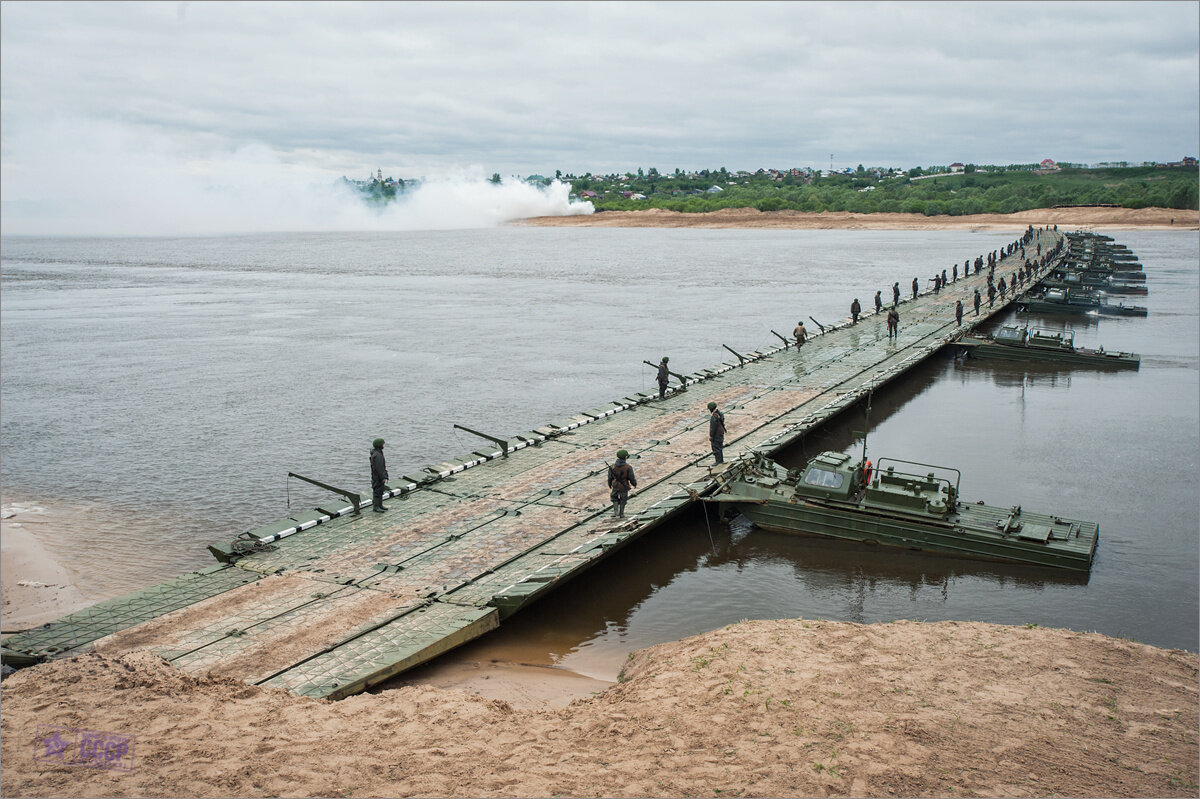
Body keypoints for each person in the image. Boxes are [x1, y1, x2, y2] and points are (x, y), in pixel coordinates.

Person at [607, 449, 637, 518]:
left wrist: (609, 484)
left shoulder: (612, 466)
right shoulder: (628, 467)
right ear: (625, 457)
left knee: (614, 497)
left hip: (615, 484)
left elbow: (609, 477)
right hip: (624, 485)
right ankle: (621, 513)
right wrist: (634, 484)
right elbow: (631, 477)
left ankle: (615, 511)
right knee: (623, 499)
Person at [370, 438, 389, 512]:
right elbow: (379, 468)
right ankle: (376, 507)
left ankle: (380, 505)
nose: (384, 445)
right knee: (377, 491)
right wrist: (383, 477)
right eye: (383, 444)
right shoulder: (378, 455)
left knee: (380, 490)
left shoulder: (376, 452)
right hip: (377, 477)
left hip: (376, 475)